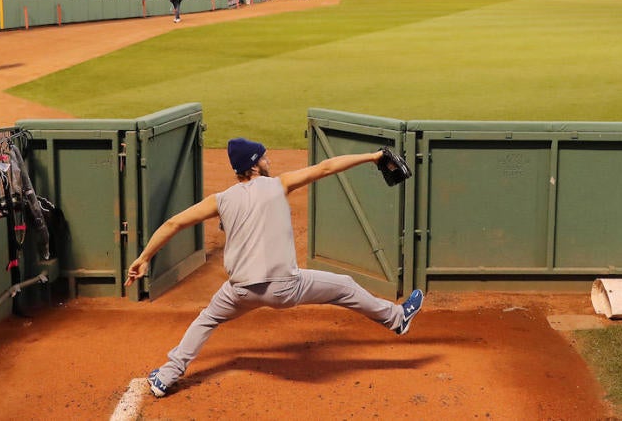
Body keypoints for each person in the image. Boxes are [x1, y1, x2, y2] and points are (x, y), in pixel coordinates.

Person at [127, 137, 425, 399]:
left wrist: (144, 257)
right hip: (285, 287)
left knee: (206, 320)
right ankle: (397, 319)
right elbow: (325, 168)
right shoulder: (279, 185)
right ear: (254, 166)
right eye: (265, 157)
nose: (270, 160)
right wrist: (372, 157)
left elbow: (173, 223)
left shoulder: (220, 200)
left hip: (240, 291)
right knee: (345, 286)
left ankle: (165, 377)